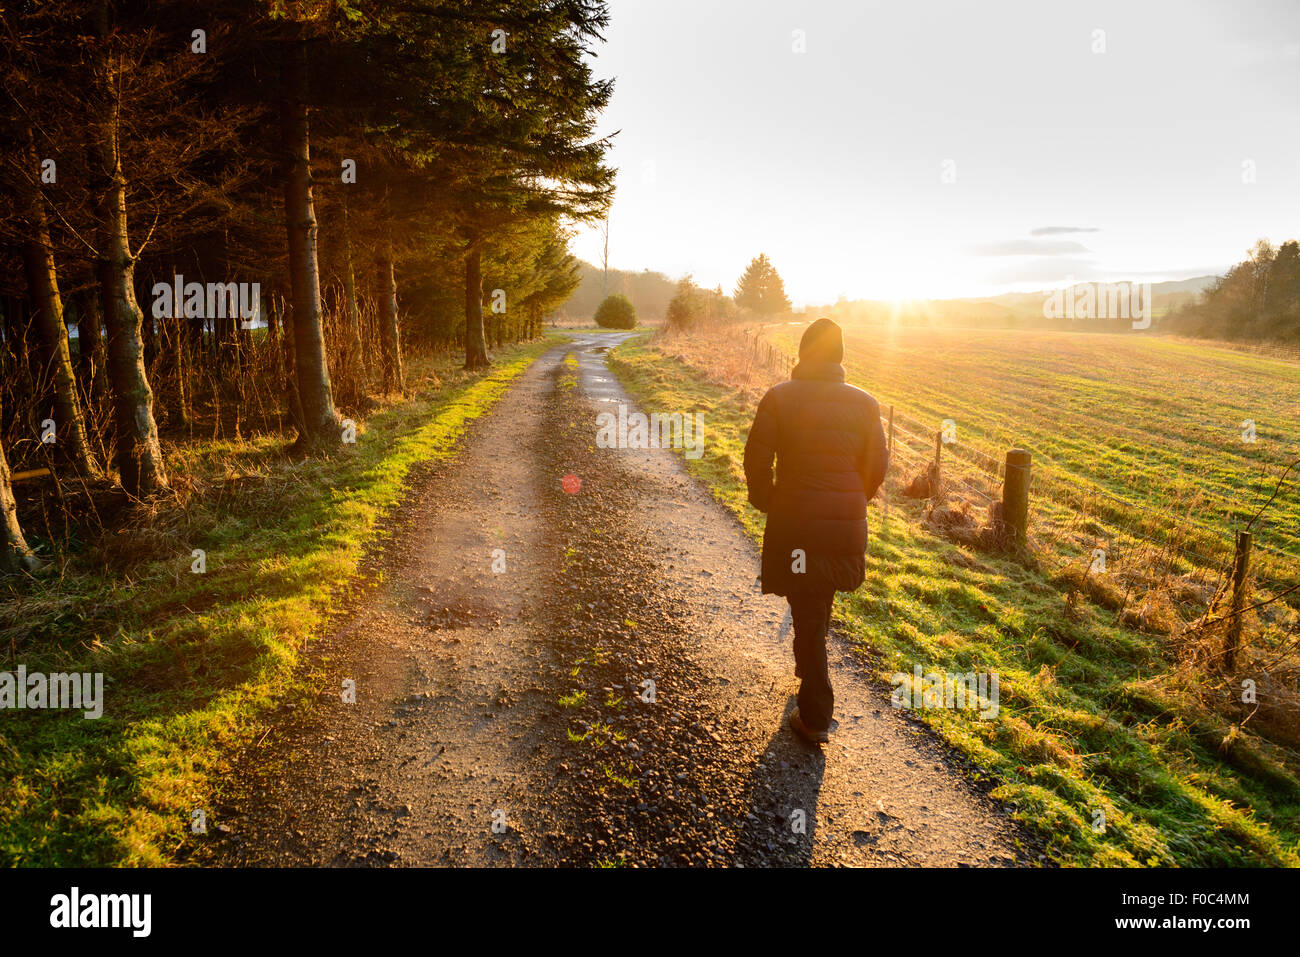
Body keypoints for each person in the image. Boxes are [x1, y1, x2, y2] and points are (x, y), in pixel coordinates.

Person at [743, 317, 888, 745]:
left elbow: (756, 457)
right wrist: (852, 499)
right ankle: (808, 666)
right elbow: (877, 466)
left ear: (803, 353)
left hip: (797, 519)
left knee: (806, 601)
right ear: (840, 357)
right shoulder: (865, 403)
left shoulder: (779, 398)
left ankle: (816, 715)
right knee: (817, 594)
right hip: (844, 518)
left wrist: (767, 500)